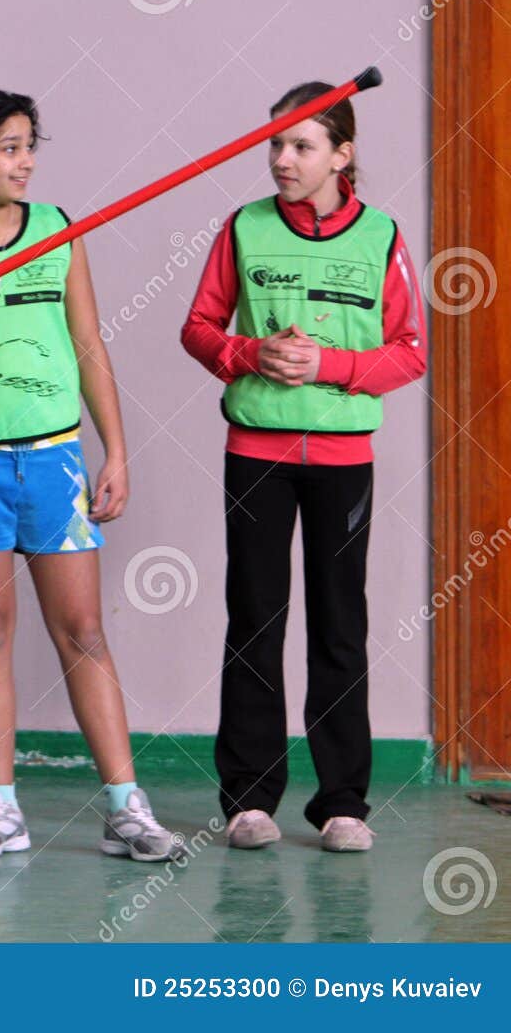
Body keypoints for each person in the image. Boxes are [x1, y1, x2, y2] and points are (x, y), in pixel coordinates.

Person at [0, 87, 181, 862]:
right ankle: (0, 810)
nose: (25, 162)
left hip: (54, 461)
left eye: (30, 145)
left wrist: (115, 449)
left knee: (84, 632)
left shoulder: (58, 231)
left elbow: (88, 344)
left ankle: (127, 809)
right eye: (8, 148)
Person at [182, 81, 426, 853]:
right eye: (276, 143)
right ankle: (248, 801)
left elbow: (410, 350)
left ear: (342, 156)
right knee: (255, 618)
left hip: (343, 461)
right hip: (256, 454)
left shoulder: (382, 235)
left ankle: (343, 802)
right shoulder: (244, 228)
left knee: (339, 623)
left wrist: (331, 364)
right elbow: (197, 326)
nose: (282, 159)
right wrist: (249, 354)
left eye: (302, 145)